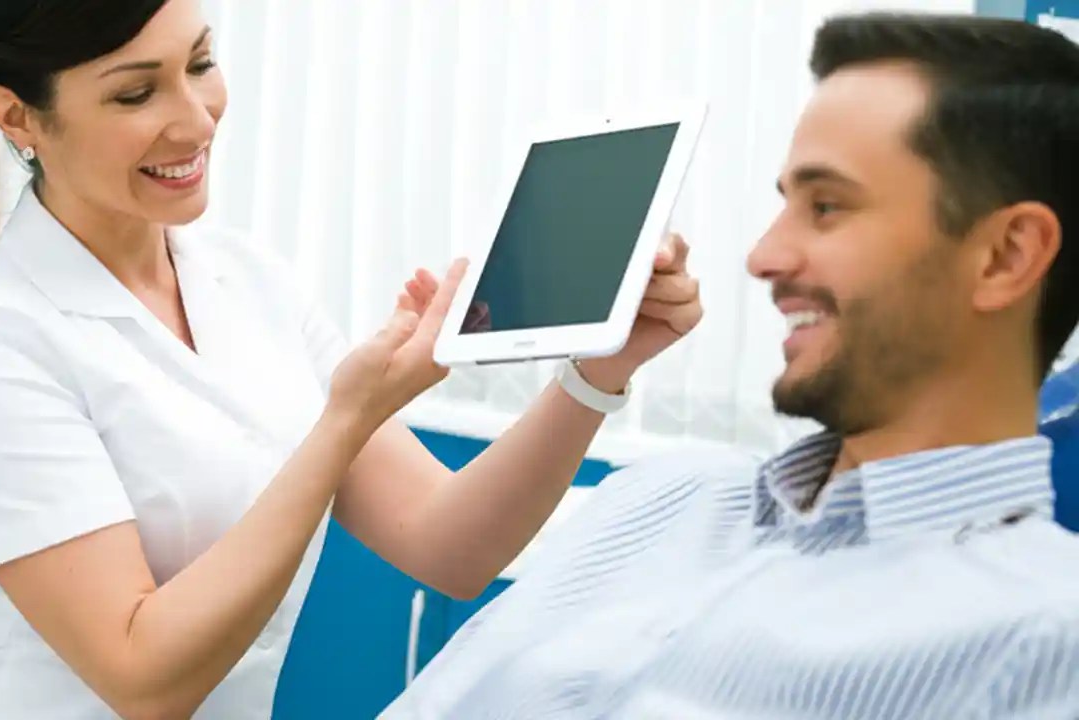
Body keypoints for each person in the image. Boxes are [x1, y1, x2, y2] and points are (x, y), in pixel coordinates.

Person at [0, 1, 703, 718]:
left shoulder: (250, 282)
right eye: (136, 93)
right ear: (17, 117)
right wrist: (345, 422)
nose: (197, 121)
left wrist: (597, 372)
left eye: (200, 64)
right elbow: (144, 682)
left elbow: (453, 547)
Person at [385, 12, 1079, 719]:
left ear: (1006, 257)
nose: (762, 257)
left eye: (827, 206)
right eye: (787, 204)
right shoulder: (661, 497)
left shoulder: (1042, 641)